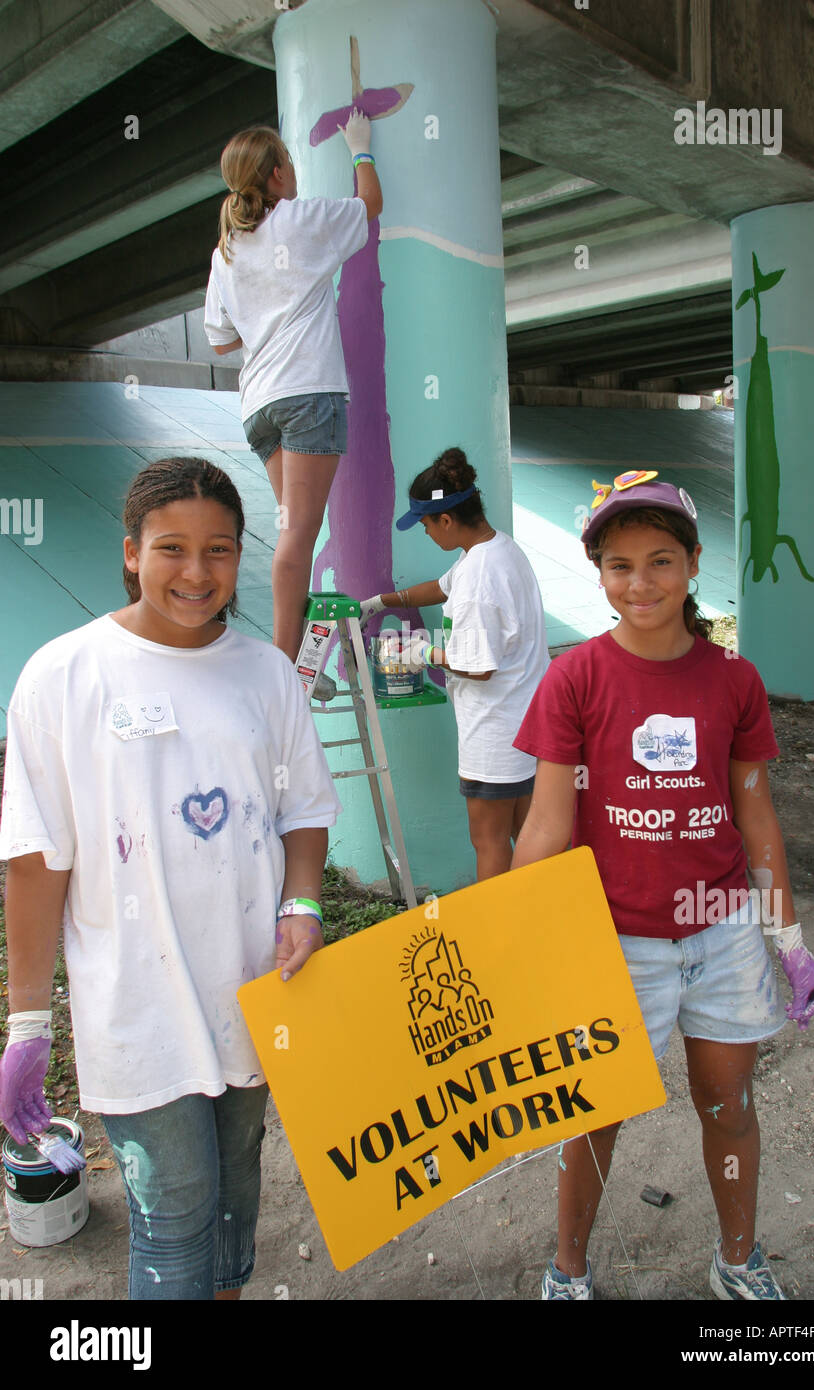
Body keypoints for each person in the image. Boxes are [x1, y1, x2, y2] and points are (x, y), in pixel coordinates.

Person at [0, 457, 340, 1301]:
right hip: (136, 1008)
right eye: (173, 548)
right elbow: (38, 861)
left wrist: (302, 903)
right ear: (130, 551)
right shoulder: (62, 674)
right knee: (175, 1210)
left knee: (235, 1197)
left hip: (255, 990)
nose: (198, 572)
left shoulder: (266, 672)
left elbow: (304, 810)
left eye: (220, 550)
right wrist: (29, 1025)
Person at [511, 472, 814, 1301]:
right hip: (611, 938)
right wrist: (508, 942)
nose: (640, 582)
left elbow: (756, 819)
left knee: (728, 1105)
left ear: (694, 563)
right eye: (619, 565)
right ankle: (568, 1271)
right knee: (593, 1117)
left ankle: (736, 1261)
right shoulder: (574, 678)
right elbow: (546, 825)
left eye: (660, 560)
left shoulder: (734, 681)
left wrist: (787, 941)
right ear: (599, 575)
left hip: (722, 934)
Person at [204, 113, 382, 670]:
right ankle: (284, 662)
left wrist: (265, 315)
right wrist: (360, 151)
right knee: (300, 533)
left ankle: (290, 643)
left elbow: (220, 341)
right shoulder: (300, 220)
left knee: (291, 527)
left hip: (260, 402)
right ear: (278, 172)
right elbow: (369, 206)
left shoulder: (227, 250)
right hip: (307, 390)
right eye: (291, 164)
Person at [361, 448, 550, 880]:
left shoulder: (480, 579)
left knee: (488, 843)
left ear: (446, 519)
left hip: (494, 733)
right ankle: (544, 926)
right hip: (526, 724)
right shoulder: (495, 551)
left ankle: (494, 936)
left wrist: (420, 652)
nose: (425, 534)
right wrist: (383, 602)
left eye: (426, 524)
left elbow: (478, 666)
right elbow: (444, 587)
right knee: (529, 836)